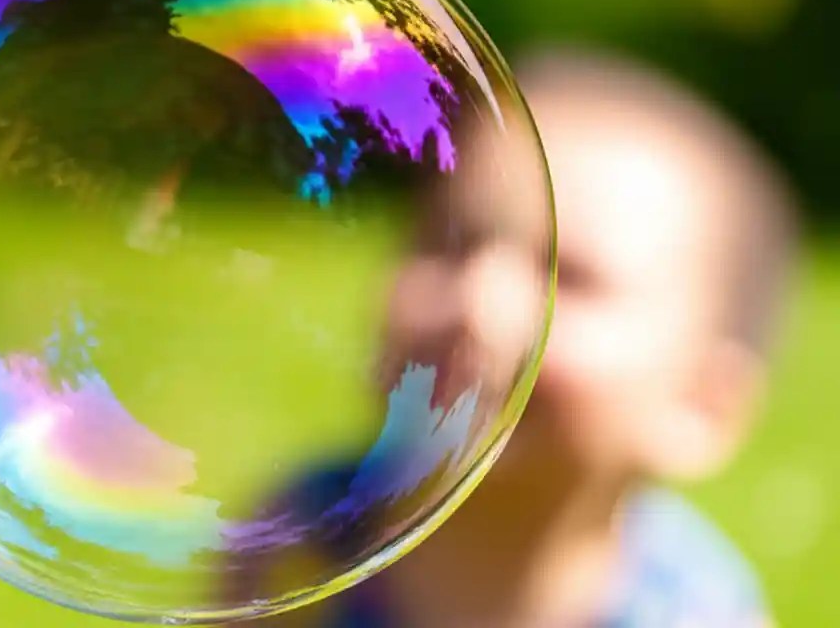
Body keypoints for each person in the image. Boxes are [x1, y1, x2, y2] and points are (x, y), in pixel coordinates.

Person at [252, 48, 799, 628]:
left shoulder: (700, 612)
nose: (477, 303)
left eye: (568, 275)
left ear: (702, 406)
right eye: (449, 242)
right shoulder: (302, 536)